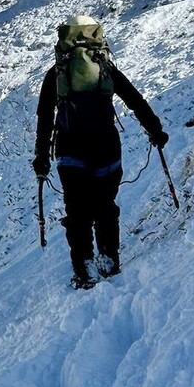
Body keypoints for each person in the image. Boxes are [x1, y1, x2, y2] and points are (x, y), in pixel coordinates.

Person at [32, 15, 168, 289]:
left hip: (70, 150)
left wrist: (41, 157)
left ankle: (84, 269)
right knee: (105, 206)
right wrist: (155, 130)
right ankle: (109, 260)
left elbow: (44, 117)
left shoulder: (56, 74)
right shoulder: (106, 69)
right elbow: (134, 99)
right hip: (106, 146)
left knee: (77, 211)